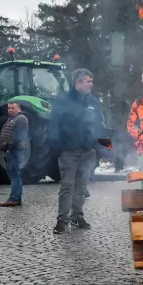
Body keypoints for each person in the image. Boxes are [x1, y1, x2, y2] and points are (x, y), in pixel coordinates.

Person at [49, 69, 107, 234]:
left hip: (88, 151)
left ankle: (77, 216)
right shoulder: (62, 101)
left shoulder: (93, 103)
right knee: (67, 186)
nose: (91, 84)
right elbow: (53, 125)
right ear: (78, 82)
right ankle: (62, 220)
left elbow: (99, 126)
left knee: (81, 187)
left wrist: (103, 147)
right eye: (88, 81)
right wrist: (58, 147)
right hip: (68, 152)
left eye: (91, 81)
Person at [0, 101, 28, 207]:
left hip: (14, 151)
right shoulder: (12, 119)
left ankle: (14, 199)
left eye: (12, 108)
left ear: (18, 108)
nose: (10, 110)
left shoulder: (20, 119)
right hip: (11, 150)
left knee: (14, 176)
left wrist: (10, 148)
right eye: (9, 108)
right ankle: (16, 198)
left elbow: (19, 136)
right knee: (14, 175)